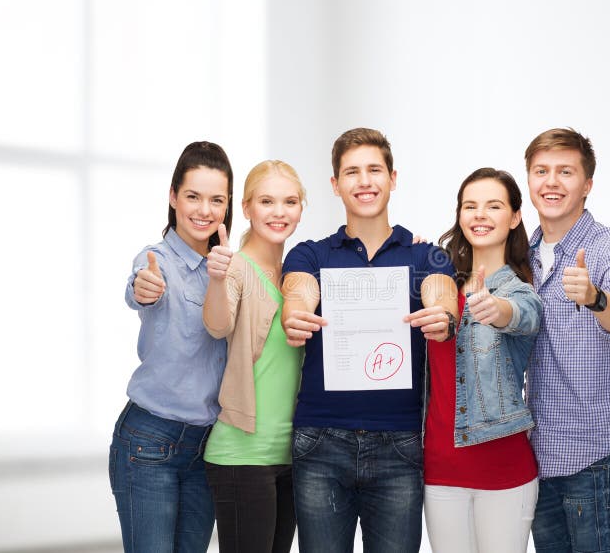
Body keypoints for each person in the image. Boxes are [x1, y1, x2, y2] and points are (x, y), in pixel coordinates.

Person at [281, 127, 458, 553]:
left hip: (399, 445)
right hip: (320, 441)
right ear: (335, 184)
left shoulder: (424, 253)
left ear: (393, 178)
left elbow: (441, 289)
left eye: (374, 170)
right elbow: (299, 289)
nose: (364, 181)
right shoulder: (310, 253)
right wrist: (295, 312)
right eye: (352, 172)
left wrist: (444, 315)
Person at [524, 128, 610, 553]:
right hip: (539, 452)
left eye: (565, 172)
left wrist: (595, 297)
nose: (551, 182)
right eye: (541, 171)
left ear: (587, 184)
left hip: (595, 452)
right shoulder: (523, 254)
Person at [108, 141, 234, 553]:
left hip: (205, 447)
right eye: (193, 196)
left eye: (216, 199)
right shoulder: (155, 260)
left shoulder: (228, 268)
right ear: (173, 196)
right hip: (149, 440)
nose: (204, 210)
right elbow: (140, 289)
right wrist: (143, 289)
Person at [424, 168, 542, 553]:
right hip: (440, 470)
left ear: (514, 217)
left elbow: (523, 315)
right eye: (470, 206)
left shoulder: (519, 291)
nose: (480, 215)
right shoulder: (439, 287)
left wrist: (495, 308)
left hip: (504, 471)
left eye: (494, 206)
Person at [202, 160, 306, 553]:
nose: (279, 212)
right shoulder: (235, 267)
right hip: (243, 453)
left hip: (288, 453)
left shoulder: (296, 274)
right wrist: (216, 278)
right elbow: (217, 324)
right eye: (267, 201)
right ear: (246, 208)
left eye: (290, 201)